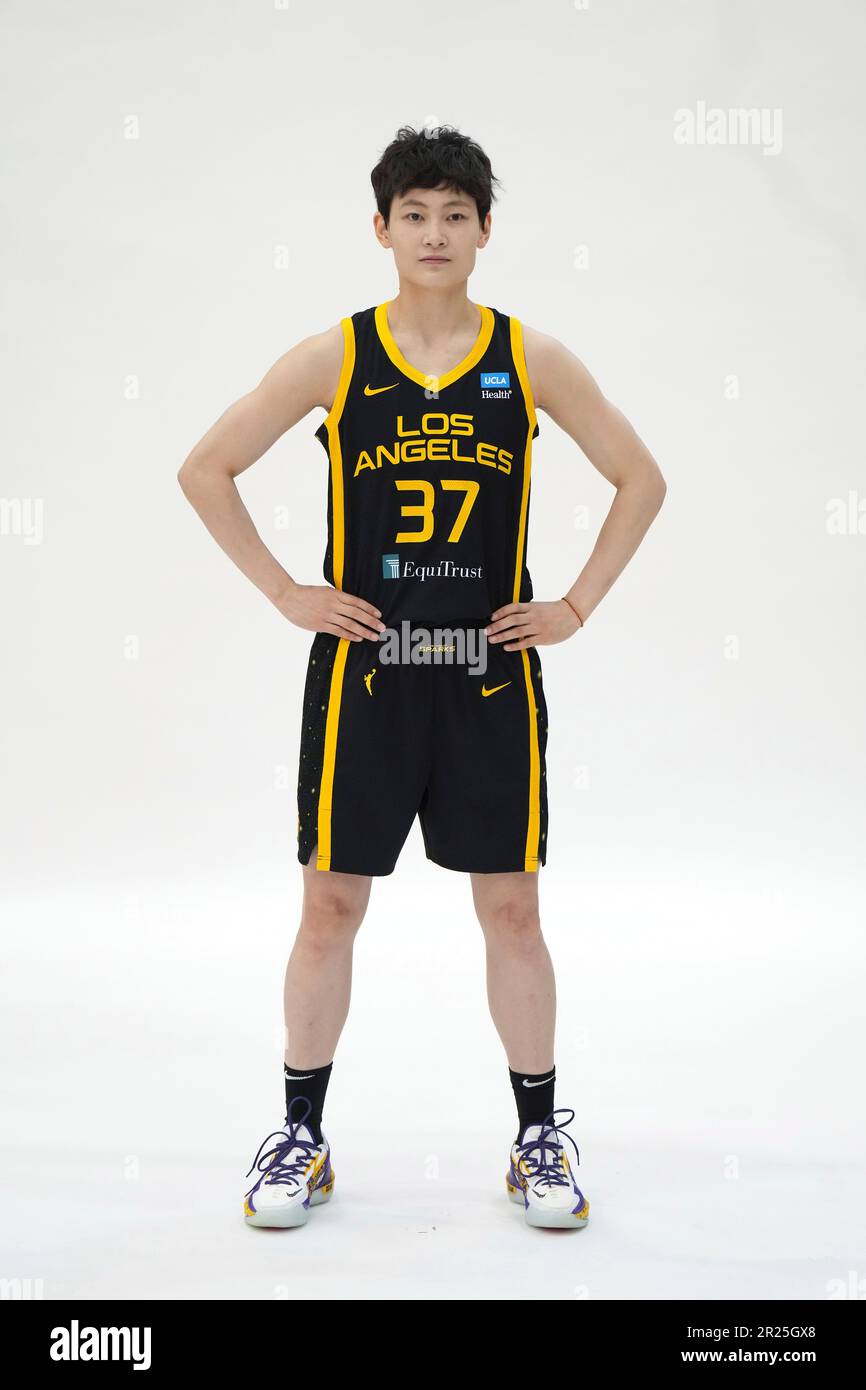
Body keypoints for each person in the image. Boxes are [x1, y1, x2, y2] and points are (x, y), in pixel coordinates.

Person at [177, 124, 666, 1233]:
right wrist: (285, 591)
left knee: (511, 911)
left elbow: (640, 477)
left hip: (490, 678)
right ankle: (300, 1132)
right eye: (414, 215)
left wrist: (576, 603)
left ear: (484, 230)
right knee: (326, 910)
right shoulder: (335, 356)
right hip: (365, 683)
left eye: (455, 214)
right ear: (382, 229)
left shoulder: (529, 356)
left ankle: (538, 1134)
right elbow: (204, 468)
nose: (434, 233)